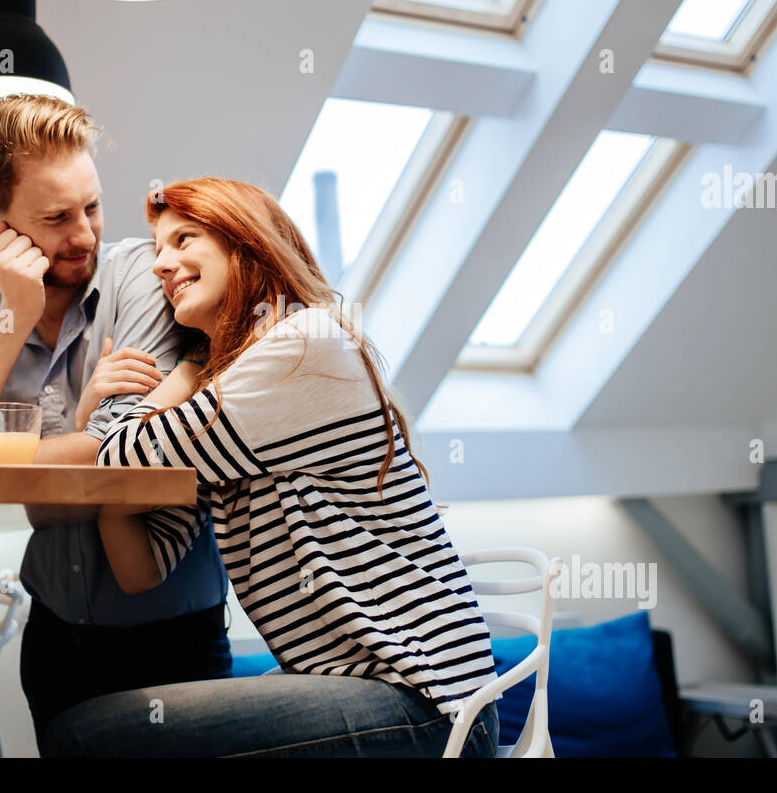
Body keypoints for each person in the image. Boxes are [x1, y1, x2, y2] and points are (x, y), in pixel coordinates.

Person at [43, 178, 500, 757]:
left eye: (184, 238)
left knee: (82, 737)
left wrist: (172, 381)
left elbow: (114, 459)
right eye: (157, 250)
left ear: (244, 242)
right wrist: (122, 454)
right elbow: (139, 567)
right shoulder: (233, 396)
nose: (162, 264)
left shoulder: (299, 349)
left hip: (431, 708)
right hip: (382, 695)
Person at [0, 95, 232, 752]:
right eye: (58, 218)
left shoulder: (150, 279)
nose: (85, 235)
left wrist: (74, 431)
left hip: (172, 641)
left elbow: (122, 451)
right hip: (56, 639)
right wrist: (14, 315)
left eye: (91, 206)